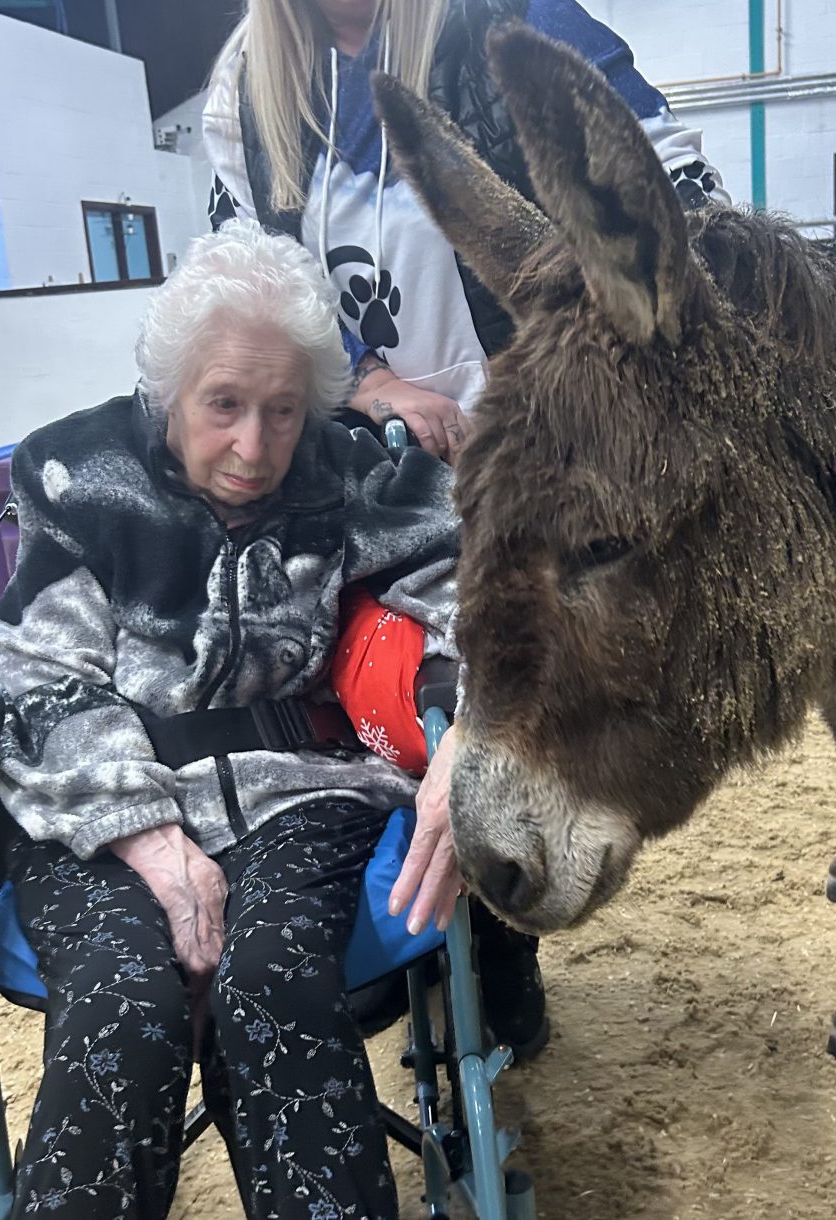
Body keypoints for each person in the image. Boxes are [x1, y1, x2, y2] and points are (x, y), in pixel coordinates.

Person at [202, 0, 726, 1052]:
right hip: (353, 463)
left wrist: (575, 374)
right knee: (365, 700)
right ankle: (409, 939)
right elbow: (240, 281)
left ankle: (495, 959)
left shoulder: (511, 26)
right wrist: (363, 380)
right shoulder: (250, 82)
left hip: (524, 458)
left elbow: (681, 208)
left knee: (486, 705)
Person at [0, 219, 463, 1220]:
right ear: (171, 386)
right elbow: (48, 676)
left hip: (306, 794)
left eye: (284, 410)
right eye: (225, 404)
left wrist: (468, 719)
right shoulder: (75, 473)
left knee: (273, 988)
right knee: (125, 1009)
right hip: (99, 813)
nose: (255, 447)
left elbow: (470, 596)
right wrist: (156, 845)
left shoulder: (348, 472)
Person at [202, 0, 730, 464]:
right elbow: (250, 274)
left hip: (573, 434)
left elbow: (680, 193)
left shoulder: (515, 13)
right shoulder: (244, 87)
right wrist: (370, 382)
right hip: (378, 457)